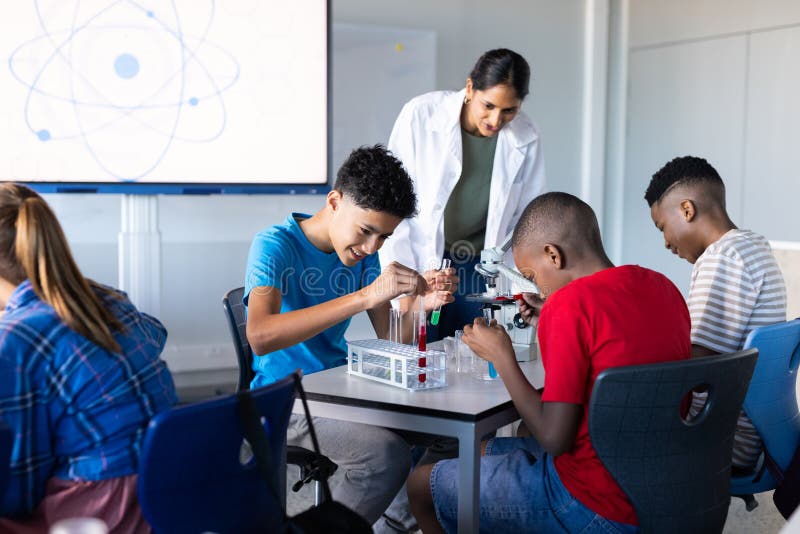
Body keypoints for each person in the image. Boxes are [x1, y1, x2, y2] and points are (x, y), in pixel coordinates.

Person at [407, 192, 692, 533]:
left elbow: (554, 439)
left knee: (422, 485)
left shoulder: (569, 306)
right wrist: (550, 319)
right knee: (480, 450)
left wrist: (502, 356)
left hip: (596, 504)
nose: (536, 287)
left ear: (553, 256)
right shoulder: (662, 287)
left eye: (530, 274)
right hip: (664, 492)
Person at [244, 145, 456, 525]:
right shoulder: (274, 246)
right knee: (385, 456)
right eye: (366, 230)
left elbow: (394, 340)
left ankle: (391, 524)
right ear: (335, 201)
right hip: (286, 399)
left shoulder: (364, 255)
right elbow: (260, 335)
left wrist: (421, 306)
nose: (371, 247)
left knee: (450, 433)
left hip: (342, 389)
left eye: (383, 237)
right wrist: (363, 296)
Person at [0, 183, 177, 532]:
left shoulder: (18, 336)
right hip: (166, 489)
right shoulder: (104, 297)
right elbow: (155, 335)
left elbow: (20, 488)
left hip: (100, 510)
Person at [380, 48, 546, 340]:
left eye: (509, 110)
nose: (496, 120)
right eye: (489, 105)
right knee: (421, 351)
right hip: (424, 258)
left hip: (482, 266)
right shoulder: (420, 115)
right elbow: (394, 208)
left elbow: (527, 221)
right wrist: (406, 292)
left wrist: (522, 288)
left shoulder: (526, 135)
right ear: (470, 88)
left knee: (476, 355)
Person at [645, 155, 787, 470]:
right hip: (753, 430)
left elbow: (697, 370)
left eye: (663, 228)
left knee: (599, 424)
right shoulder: (753, 246)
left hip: (723, 436)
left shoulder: (722, 258)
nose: (666, 242)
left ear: (686, 210)